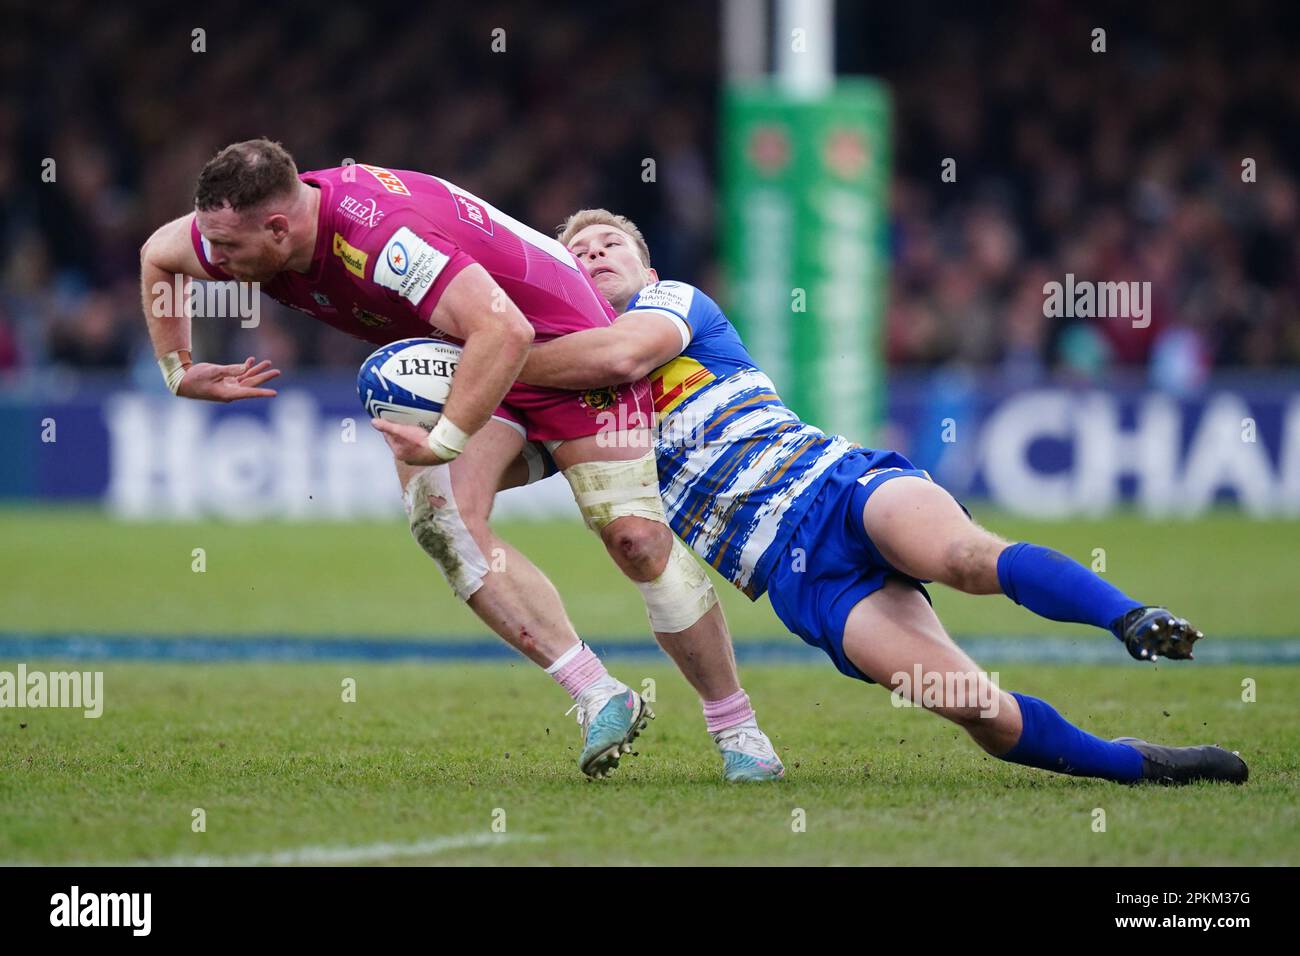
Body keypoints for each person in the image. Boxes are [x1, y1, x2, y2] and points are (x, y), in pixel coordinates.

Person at [512, 209, 1247, 785]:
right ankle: (1141, 764)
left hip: (836, 487)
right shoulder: (566, 406)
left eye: (610, 242)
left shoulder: (672, 305)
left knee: (964, 556)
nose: (594, 254)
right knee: (974, 709)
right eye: (577, 253)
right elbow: (513, 465)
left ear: (648, 265)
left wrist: (504, 352)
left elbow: (621, 353)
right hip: (796, 577)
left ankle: (1131, 618)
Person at [138, 141, 781, 781]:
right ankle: (598, 692)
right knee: (441, 519)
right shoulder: (243, 227)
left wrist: (445, 439)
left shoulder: (382, 239)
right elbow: (157, 257)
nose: (214, 262)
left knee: (637, 540)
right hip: (468, 355)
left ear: (278, 228)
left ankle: (738, 731)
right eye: (212, 245)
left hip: (563, 345)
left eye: (226, 250)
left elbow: (508, 331)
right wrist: (178, 368)